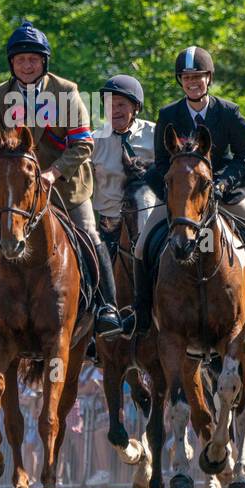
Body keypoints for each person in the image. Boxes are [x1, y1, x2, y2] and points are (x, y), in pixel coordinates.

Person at [0, 22, 123, 340]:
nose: (27, 66)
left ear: (43, 62)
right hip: (15, 191)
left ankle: (106, 308)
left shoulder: (66, 92)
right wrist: (7, 174)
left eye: (32, 59)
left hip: (64, 186)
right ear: (12, 64)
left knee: (88, 232)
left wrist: (52, 172)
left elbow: (83, 143)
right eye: (20, 60)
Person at [132, 46, 245, 338]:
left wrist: (222, 182)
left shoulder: (227, 112)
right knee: (141, 246)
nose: (192, 82)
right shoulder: (169, 114)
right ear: (180, 81)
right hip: (183, 197)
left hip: (224, 192)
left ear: (209, 78)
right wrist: (173, 196)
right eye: (186, 77)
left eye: (198, 76)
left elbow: (244, 154)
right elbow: (161, 161)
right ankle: (143, 316)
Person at [90, 74, 154, 336]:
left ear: (135, 108)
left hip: (147, 225)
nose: (114, 110)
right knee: (85, 272)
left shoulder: (155, 134)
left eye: (121, 105)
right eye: (109, 104)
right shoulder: (94, 140)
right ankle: (91, 329)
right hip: (109, 225)